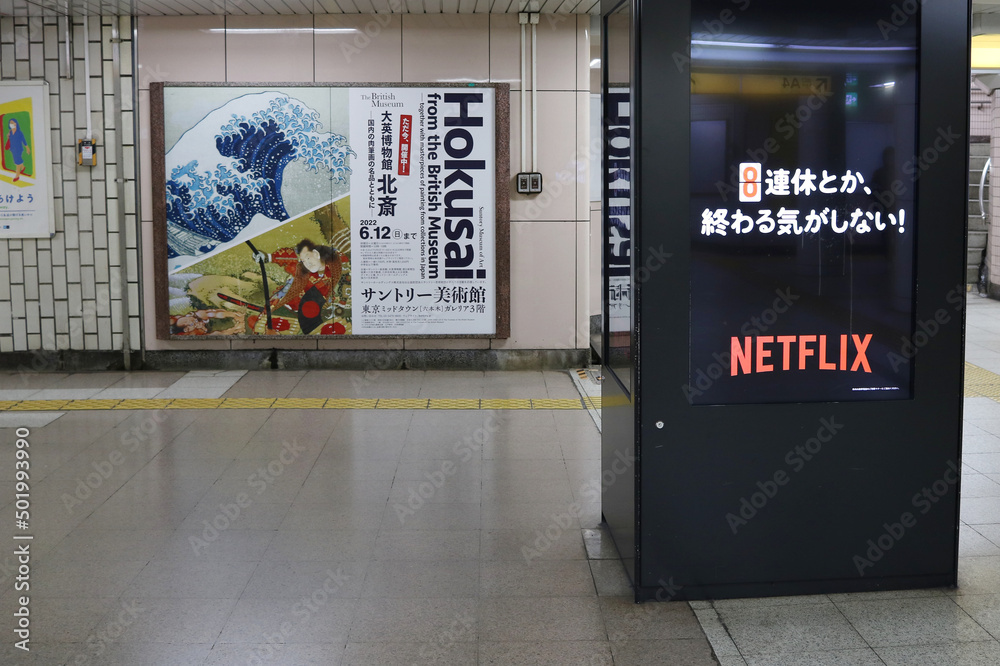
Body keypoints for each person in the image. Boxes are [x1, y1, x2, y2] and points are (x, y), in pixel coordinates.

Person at [252, 238, 343, 317]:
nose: (307, 264)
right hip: (287, 304)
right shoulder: (302, 269)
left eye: (308, 258)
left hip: (313, 310)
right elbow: (289, 257)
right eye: (303, 261)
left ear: (315, 254)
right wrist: (267, 257)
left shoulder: (333, 263)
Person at [3, 118, 30, 182]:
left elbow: (24, 140)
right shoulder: (10, 132)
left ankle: (17, 176)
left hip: (19, 149)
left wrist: (27, 148)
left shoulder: (19, 132)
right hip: (12, 149)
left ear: (16, 123)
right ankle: (23, 167)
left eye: (13, 123)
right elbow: (11, 140)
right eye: (10, 123)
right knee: (18, 160)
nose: (11, 124)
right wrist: (8, 137)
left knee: (17, 162)